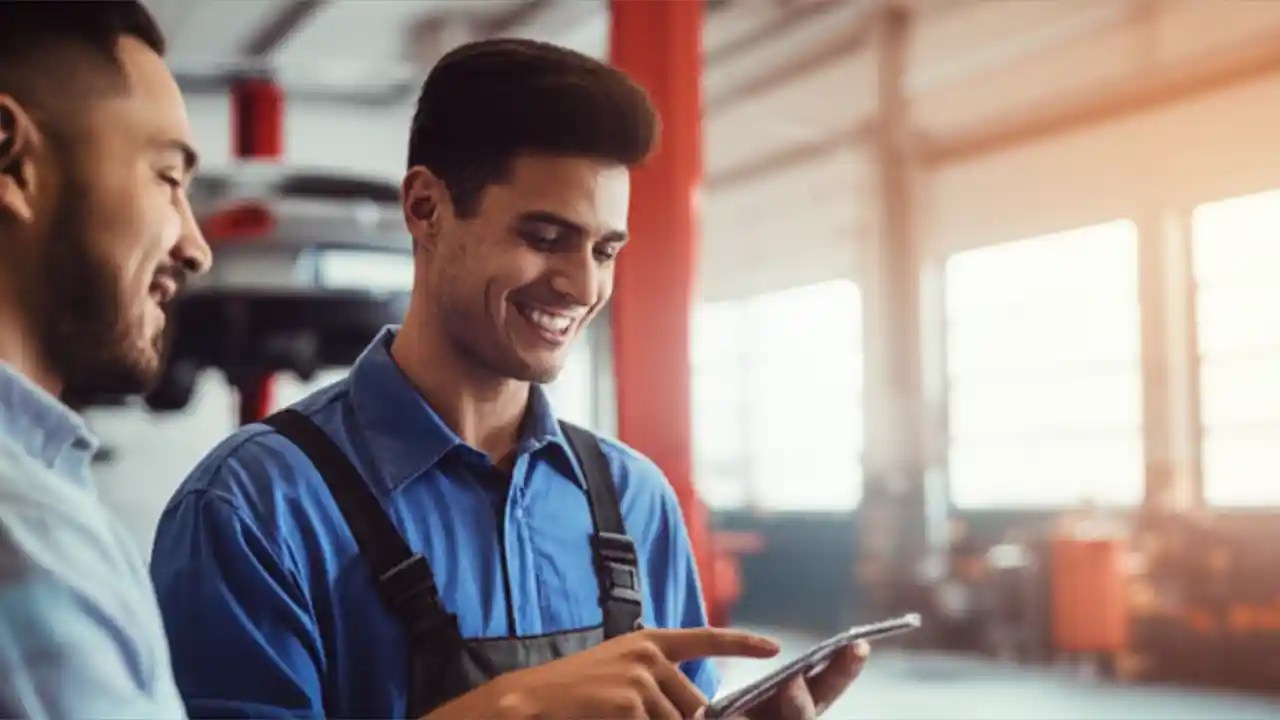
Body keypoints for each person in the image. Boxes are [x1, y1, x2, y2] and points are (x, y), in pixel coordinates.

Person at [150, 38, 866, 719]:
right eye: (544, 238)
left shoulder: (634, 502)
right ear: (426, 209)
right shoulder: (255, 510)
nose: (582, 284)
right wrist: (508, 710)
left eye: (605, 249)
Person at [0, 1, 211, 716]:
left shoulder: (46, 493)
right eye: (168, 178)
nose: (196, 247)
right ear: (10, 160)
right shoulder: (24, 537)